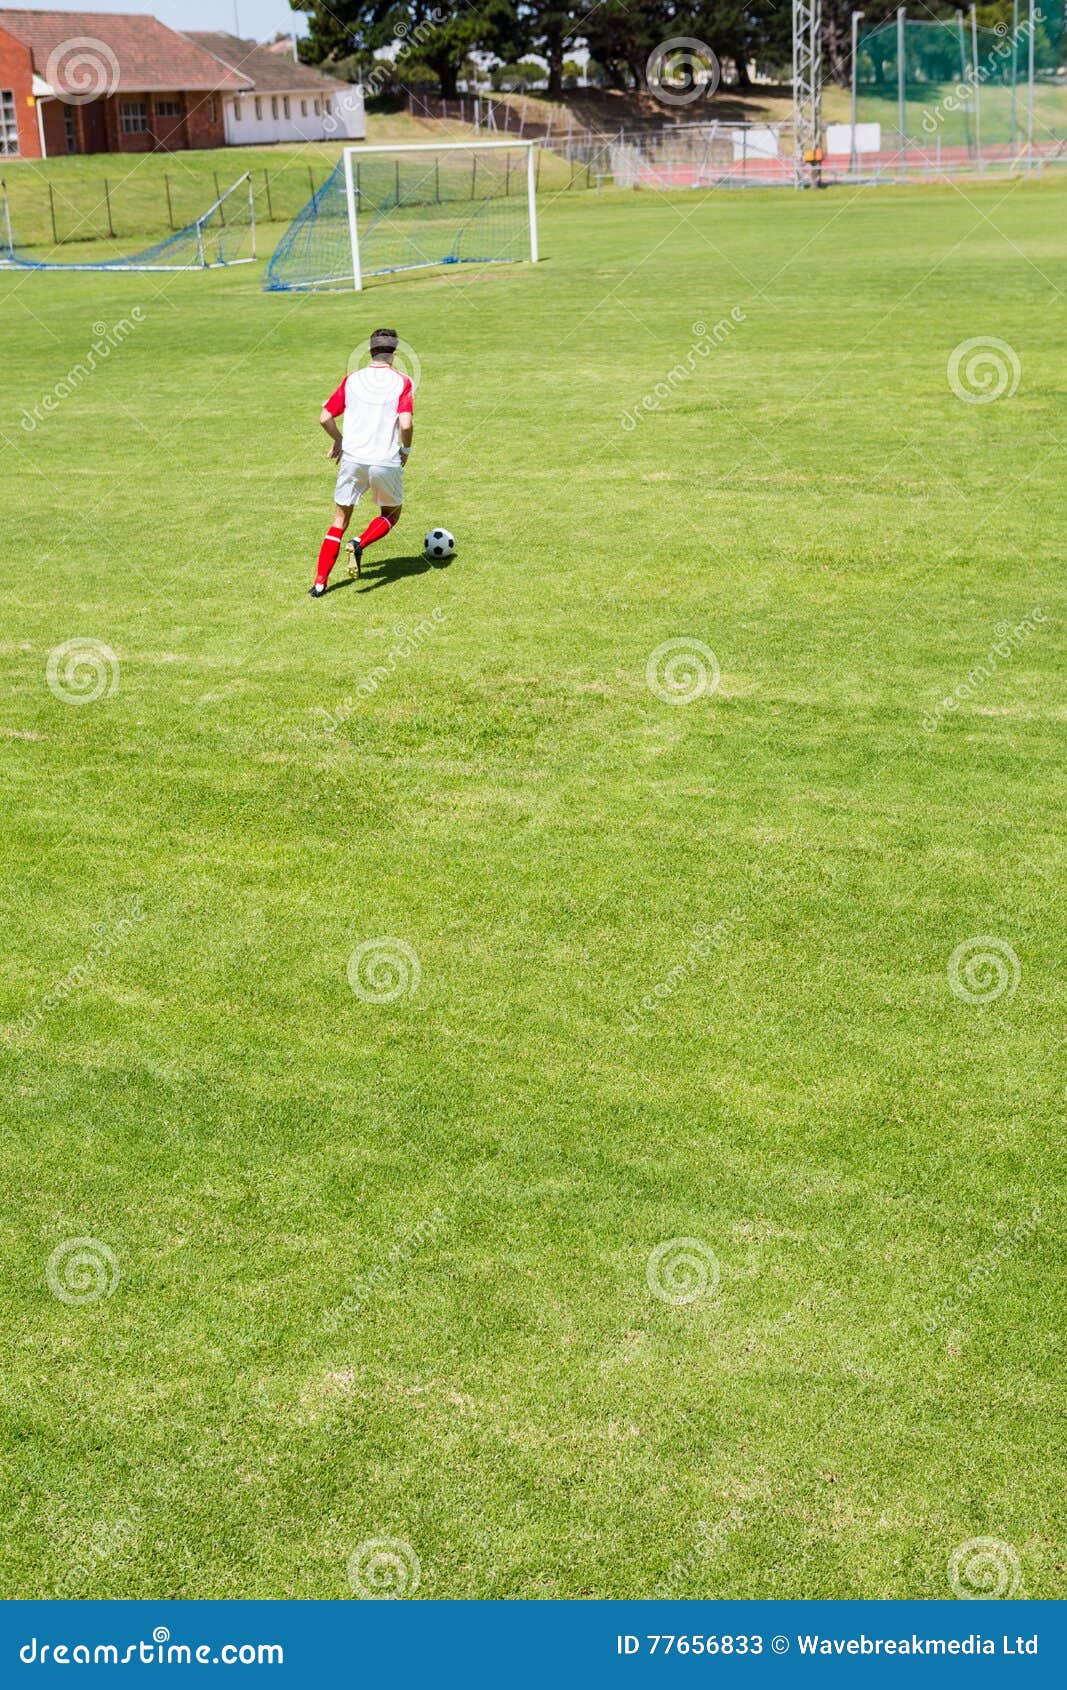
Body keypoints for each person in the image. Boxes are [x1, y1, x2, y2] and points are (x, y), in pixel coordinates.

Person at [310, 328, 414, 598]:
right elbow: (406, 423)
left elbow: (324, 417)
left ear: (370, 351)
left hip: (353, 460)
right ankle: (359, 542)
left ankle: (320, 583)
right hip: (385, 461)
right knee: (391, 514)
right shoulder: (402, 381)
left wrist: (339, 441)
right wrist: (407, 448)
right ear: (394, 352)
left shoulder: (352, 380)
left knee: (339, 519)